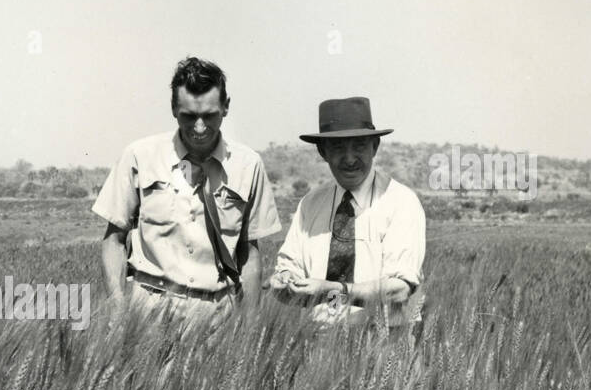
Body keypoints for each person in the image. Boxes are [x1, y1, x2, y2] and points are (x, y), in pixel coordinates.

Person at [92, 57, 282, 328]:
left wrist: (250, 327)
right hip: (149, 313)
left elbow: (249, 253)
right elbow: (113, 240)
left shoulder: (249, 165)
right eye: (189, 116)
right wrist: (118, 308)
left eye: (210, 115)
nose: (200, 127)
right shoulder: (139, 156)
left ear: (226, 107)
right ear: (173, 109)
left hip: (220, 317)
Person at [266, 97, 425, 337]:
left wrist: (331, 289)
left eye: (359, 146)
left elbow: (400, 290)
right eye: (339, 148)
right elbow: (289, 268)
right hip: (320, 344)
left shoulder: (401, 202)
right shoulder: (310, 205)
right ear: (323, 152)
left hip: (387, 342)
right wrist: (284, 281)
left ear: (375, 146)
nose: (350, 159)